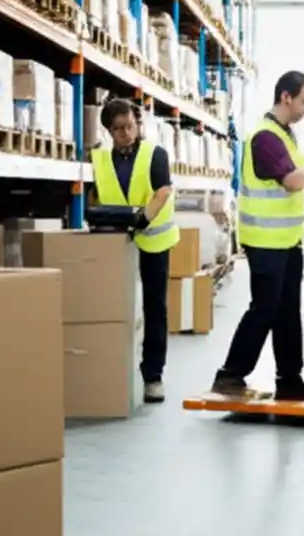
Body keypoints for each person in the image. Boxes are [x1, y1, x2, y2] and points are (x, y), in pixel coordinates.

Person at [210, 71, 304, 401]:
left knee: (287, 310)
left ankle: (290, 380)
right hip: (265, 243)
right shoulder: (265, 137)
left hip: (287, 242)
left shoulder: (286, 135)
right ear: (285, 97)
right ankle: (229, 375)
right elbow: (292, 181)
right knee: (265, 308)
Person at [89, 98, 179, 404]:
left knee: (155, 308)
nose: (126, 133)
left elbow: (163, 190)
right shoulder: (100, 159)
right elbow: (95, 195)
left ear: (137, 123)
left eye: (130, 126)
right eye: (118, 129)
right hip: (117, 241)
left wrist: (144, 218)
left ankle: (153, 376)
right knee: (113, 306)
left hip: (153, 237)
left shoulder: (155, 154)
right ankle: (111, 368)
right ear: (108, 131)